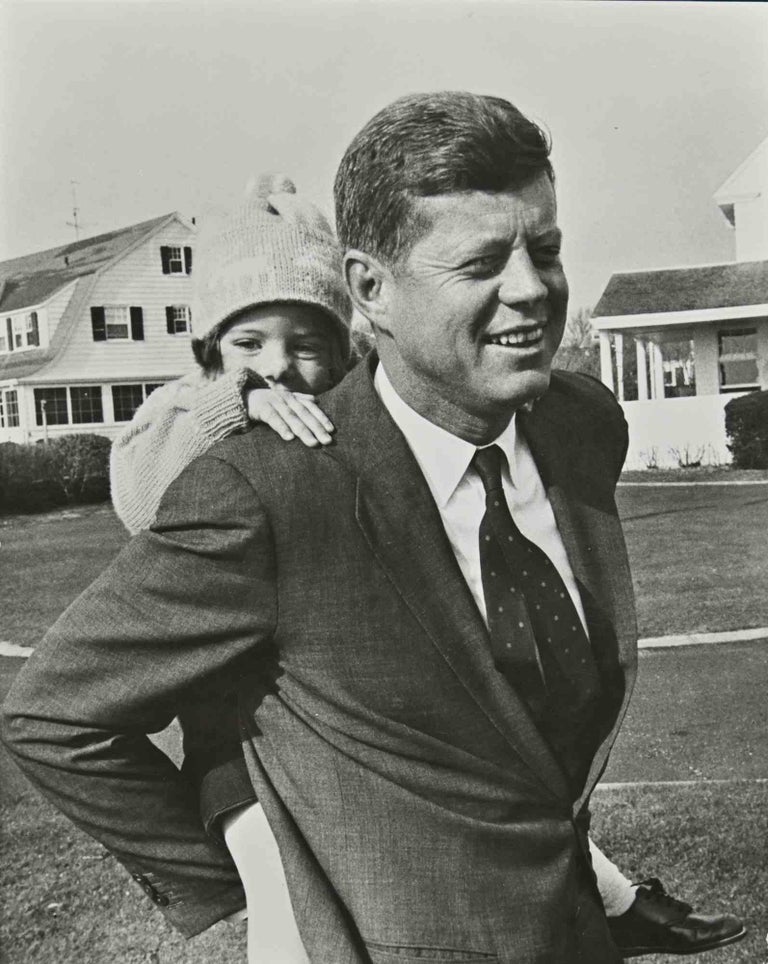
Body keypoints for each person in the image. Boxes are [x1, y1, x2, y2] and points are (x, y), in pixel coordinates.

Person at [1, 92, 745, 962]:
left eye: (544, 249)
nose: (532, 290)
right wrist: (262, 886)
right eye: (479, 265)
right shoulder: (266, 488)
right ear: (369, 288)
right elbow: (55, 717)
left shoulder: (581, 424)